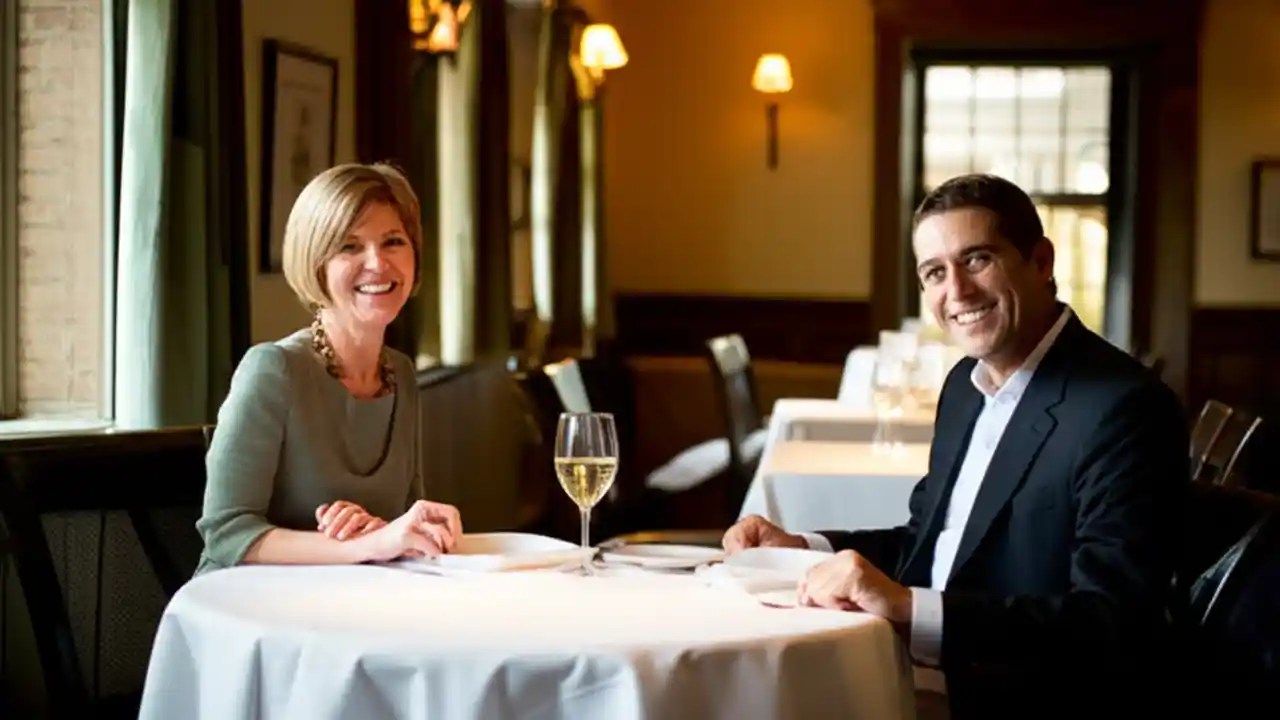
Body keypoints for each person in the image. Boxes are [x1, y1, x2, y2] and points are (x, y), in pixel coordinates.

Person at [723, 174, 1187, 717]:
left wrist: (905, 608)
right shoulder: (965, 389)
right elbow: (932, 543)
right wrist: (802, 548)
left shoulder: (1124, 408)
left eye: (978, 260)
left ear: (1041, 262)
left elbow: (1110, 623)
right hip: (926, 671)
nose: (957, 292)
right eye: (935, 273)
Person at [195, 163, 462, 575]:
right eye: (349, 247)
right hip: (249, 610)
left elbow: (391, 533)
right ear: (315, 262)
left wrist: (395, 532)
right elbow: (228, 533)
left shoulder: (402, 374)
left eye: (393, 241)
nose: (377, 263)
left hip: (347, 602)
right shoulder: (272, 370)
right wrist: (369, 544)